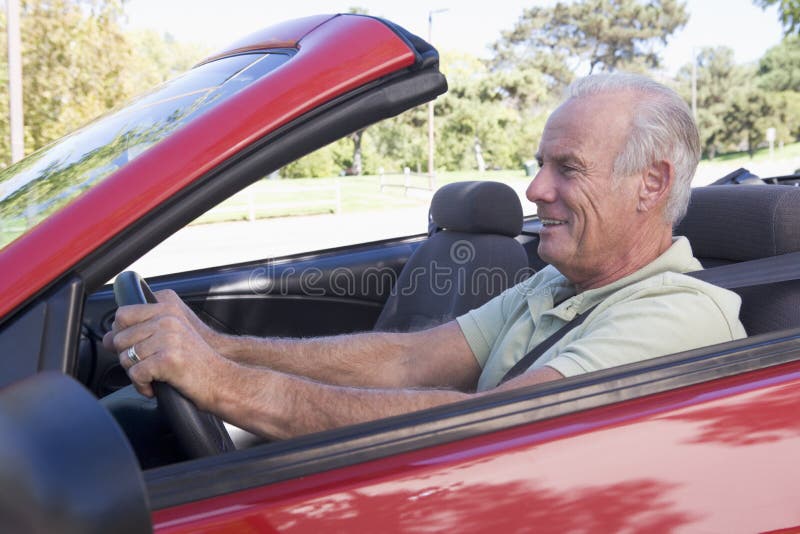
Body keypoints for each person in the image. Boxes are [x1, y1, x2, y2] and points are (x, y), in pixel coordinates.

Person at [104, 73, 746, 440]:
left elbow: (493, 424)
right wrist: (219, 346)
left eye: (567, 168)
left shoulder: (679, 315)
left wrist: (224, 384)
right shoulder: (556, 284)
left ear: (652, 184)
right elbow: (410, 359)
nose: (535, 188)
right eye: (539, 164)